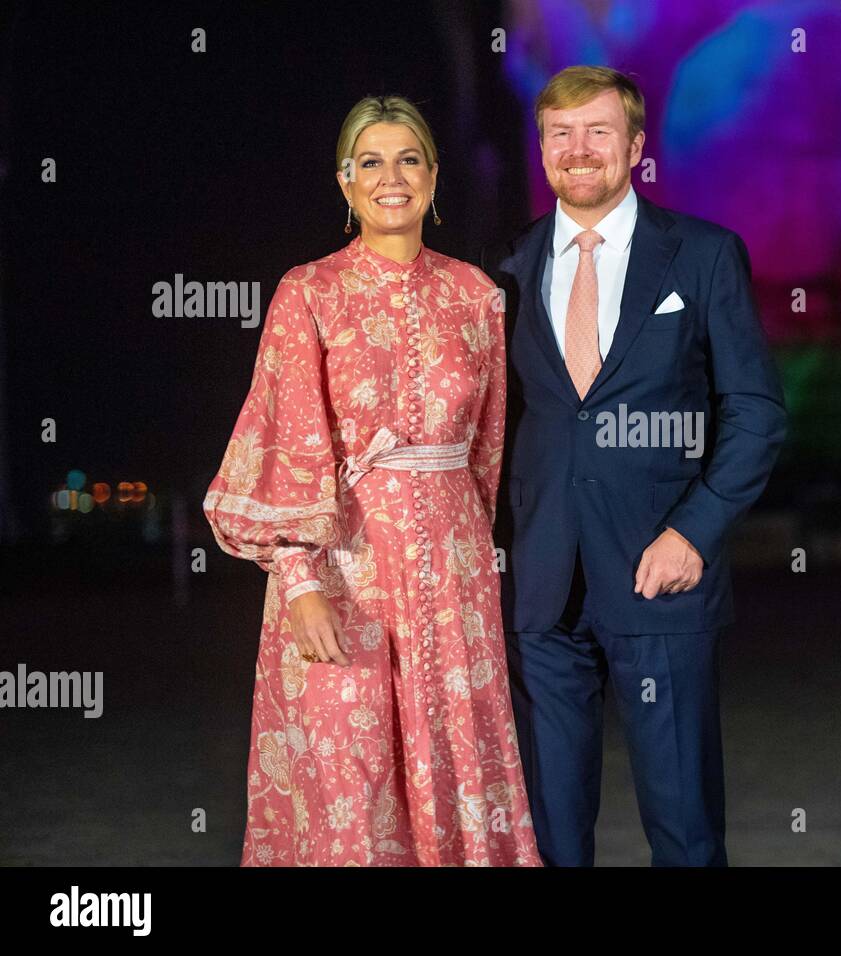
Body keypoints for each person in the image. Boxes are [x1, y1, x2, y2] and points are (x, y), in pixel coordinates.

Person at [203, 95, 542, 867]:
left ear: (432, 176)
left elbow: (486, 451)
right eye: (371, 163)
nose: (392, 178)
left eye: (409, 159)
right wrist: (297, 579)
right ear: (345, 184)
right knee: (348, 769)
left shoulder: (476, 296)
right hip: (341, 571)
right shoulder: (308, 293)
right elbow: (283, 437)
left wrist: (466, 553)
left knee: (456, 758)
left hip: (454, 579)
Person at [485, 66, 787, 866]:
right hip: (541, 587)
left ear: (637, 147)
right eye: (560, 134)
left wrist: (694, 532)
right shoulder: (503, 269)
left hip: (664, 574)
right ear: (542, 147)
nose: (578, 151)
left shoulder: (703, 254)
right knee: (549, 835)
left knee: (685, 830)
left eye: (598, 132)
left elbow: (755, 413)